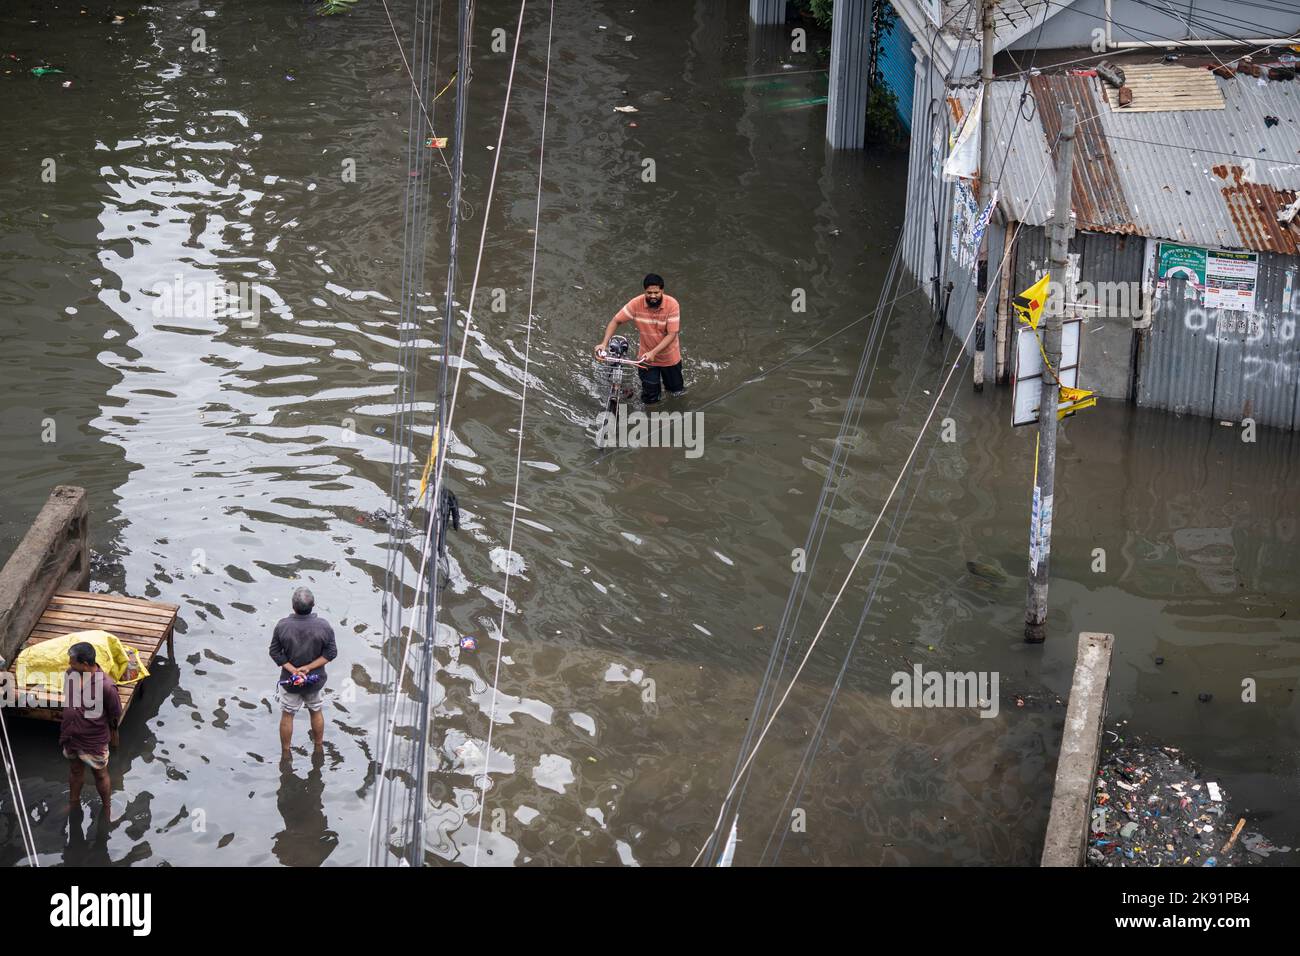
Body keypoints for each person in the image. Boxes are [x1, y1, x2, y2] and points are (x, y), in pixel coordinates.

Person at [595, 273, 684, 404]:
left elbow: (672, 334)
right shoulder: (636, 303)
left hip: (670, 359)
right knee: (650, 398)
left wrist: (653, 352)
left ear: (662, 291)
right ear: (644, 291)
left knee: (676, 392)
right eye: (649, 293)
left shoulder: (672, 305)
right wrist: (603, 343)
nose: (652, 296)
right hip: (646, 359)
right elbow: (616, 321)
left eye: (656, 292)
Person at [269, 587, 338, 756]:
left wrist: (293, 670)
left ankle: (286, 752)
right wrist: (309, 668)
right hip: (314, 681)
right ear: (313, 605)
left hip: (291, 682)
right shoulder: (324, 626)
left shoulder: (282, 626)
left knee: (287, 715)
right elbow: (331, 653)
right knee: (316, 711)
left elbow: (274, 652)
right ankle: (319, 746)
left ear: (293, 606)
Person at [60, 642, 121, 817]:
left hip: (93, 740)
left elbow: (114, 714)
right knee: (75, 770)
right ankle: (73, 803)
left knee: (100, 775)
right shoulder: (70, 674)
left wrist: (112, 734)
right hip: (71, 736)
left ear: (85, 664)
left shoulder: (107, 687)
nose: (70, 665)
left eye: (73, 662)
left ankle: (107, 807)